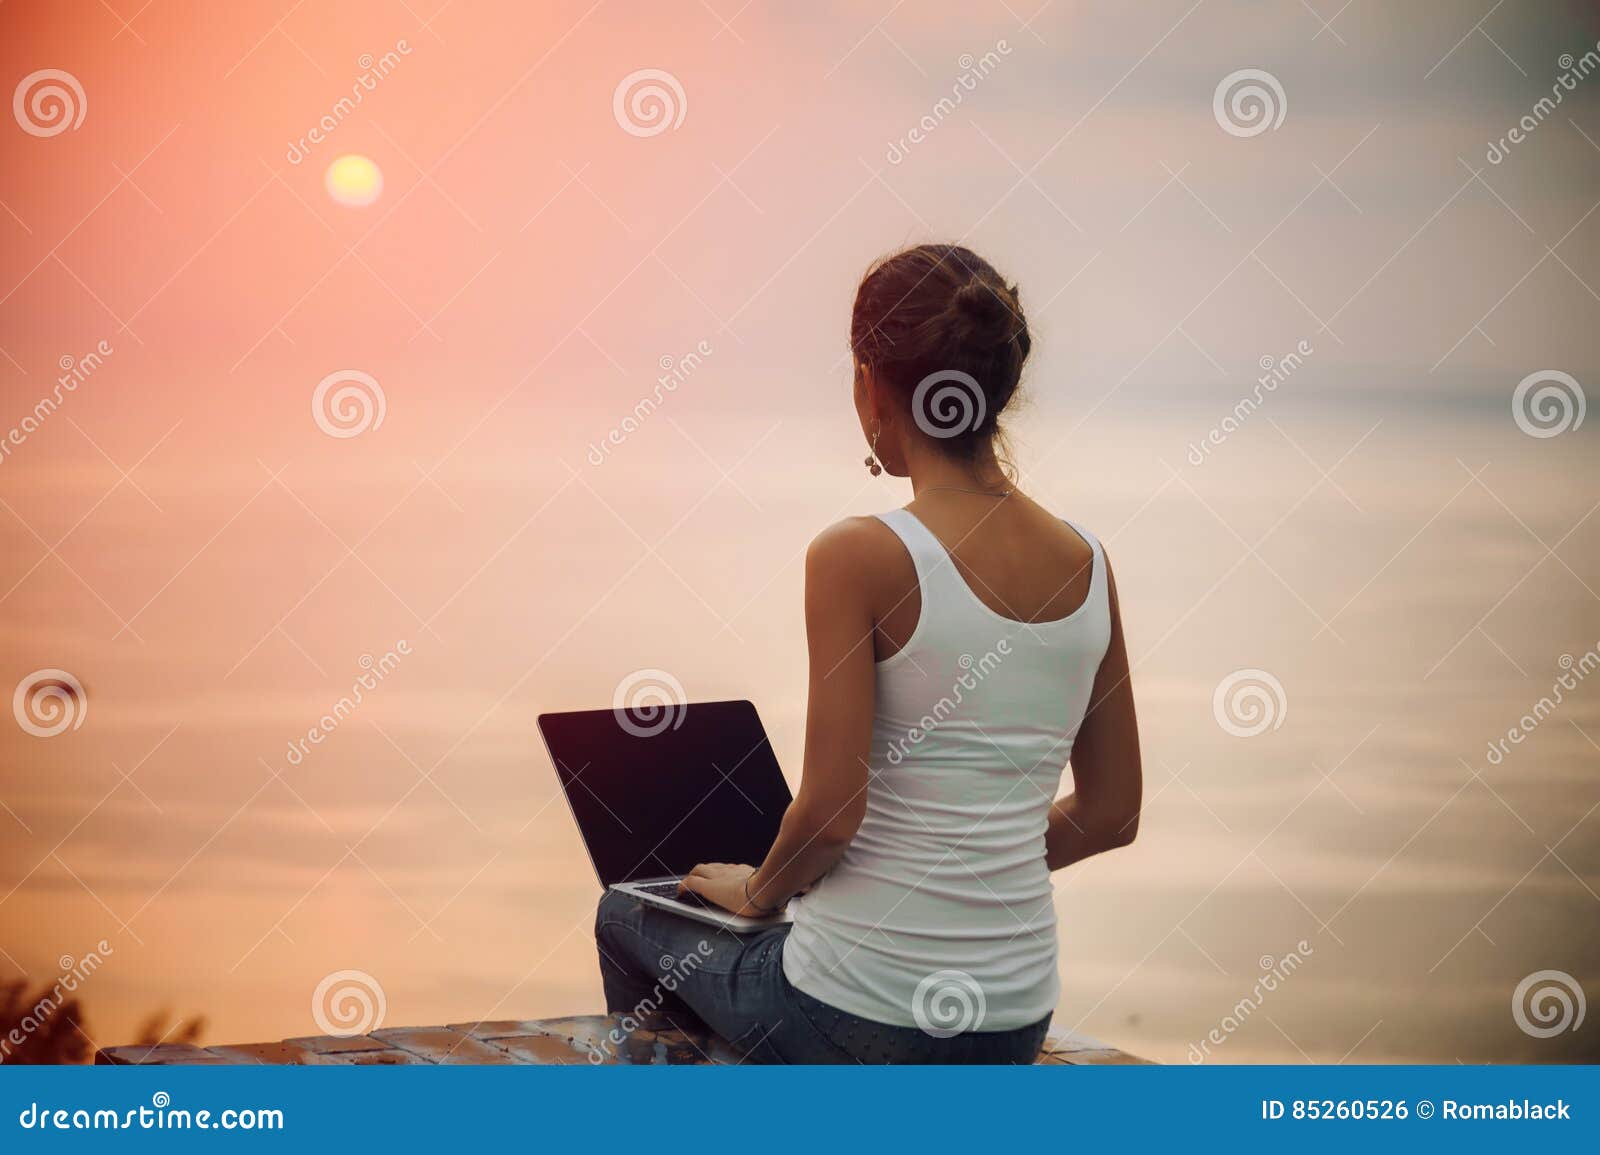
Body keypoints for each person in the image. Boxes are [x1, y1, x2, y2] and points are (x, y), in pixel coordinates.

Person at [595, 244, 1143, 1064]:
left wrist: (754, 891)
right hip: (1014, 1019)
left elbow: (829, 817)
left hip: (860, 1013)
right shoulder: (1088, 561)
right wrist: (963, 867)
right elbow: (1112, 812)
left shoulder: (859, 554)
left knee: (625, 915)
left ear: (868, 381)